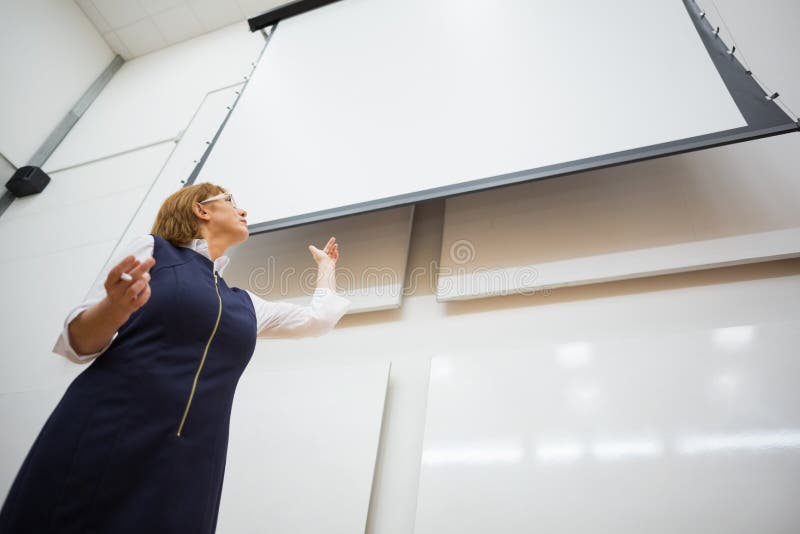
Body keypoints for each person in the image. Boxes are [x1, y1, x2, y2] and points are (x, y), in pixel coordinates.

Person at [0, 182, 351, 533]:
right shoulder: (155, 251)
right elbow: (76, 342)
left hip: (193, 460)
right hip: (110, 431)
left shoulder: (244, 304)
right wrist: (115, 307)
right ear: (201, 209)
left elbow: (316, 320)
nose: (243, 211)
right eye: (231, 202)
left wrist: (326, 266)